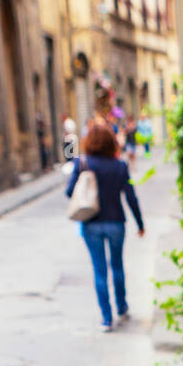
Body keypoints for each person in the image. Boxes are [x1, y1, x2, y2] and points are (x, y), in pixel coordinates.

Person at [65, 120, 145, 332]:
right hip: (116, 222)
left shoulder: (82, 164)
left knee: (99, 270)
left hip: (91, 223)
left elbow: (69, 192)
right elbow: (130, 196)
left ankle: (106, 319)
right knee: (117, 266)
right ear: (111, 142)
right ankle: (122, 307)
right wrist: (140, 223)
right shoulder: (120, 166)